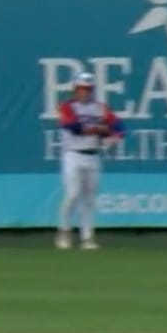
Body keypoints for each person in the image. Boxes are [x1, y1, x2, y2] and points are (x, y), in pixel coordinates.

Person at [55, 72, 123, 251]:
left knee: (90, 199)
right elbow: (73, 127)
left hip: (92, 156)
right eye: (82, 89)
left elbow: (118, 125)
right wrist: (100, 129)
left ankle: (87, 237)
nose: (85, 92)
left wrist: (115, 136)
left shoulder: (100, 107)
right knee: (72, 194)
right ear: (75, 89)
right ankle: (64, 230)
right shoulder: (68, 107)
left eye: (88, 89)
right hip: (73, 155)